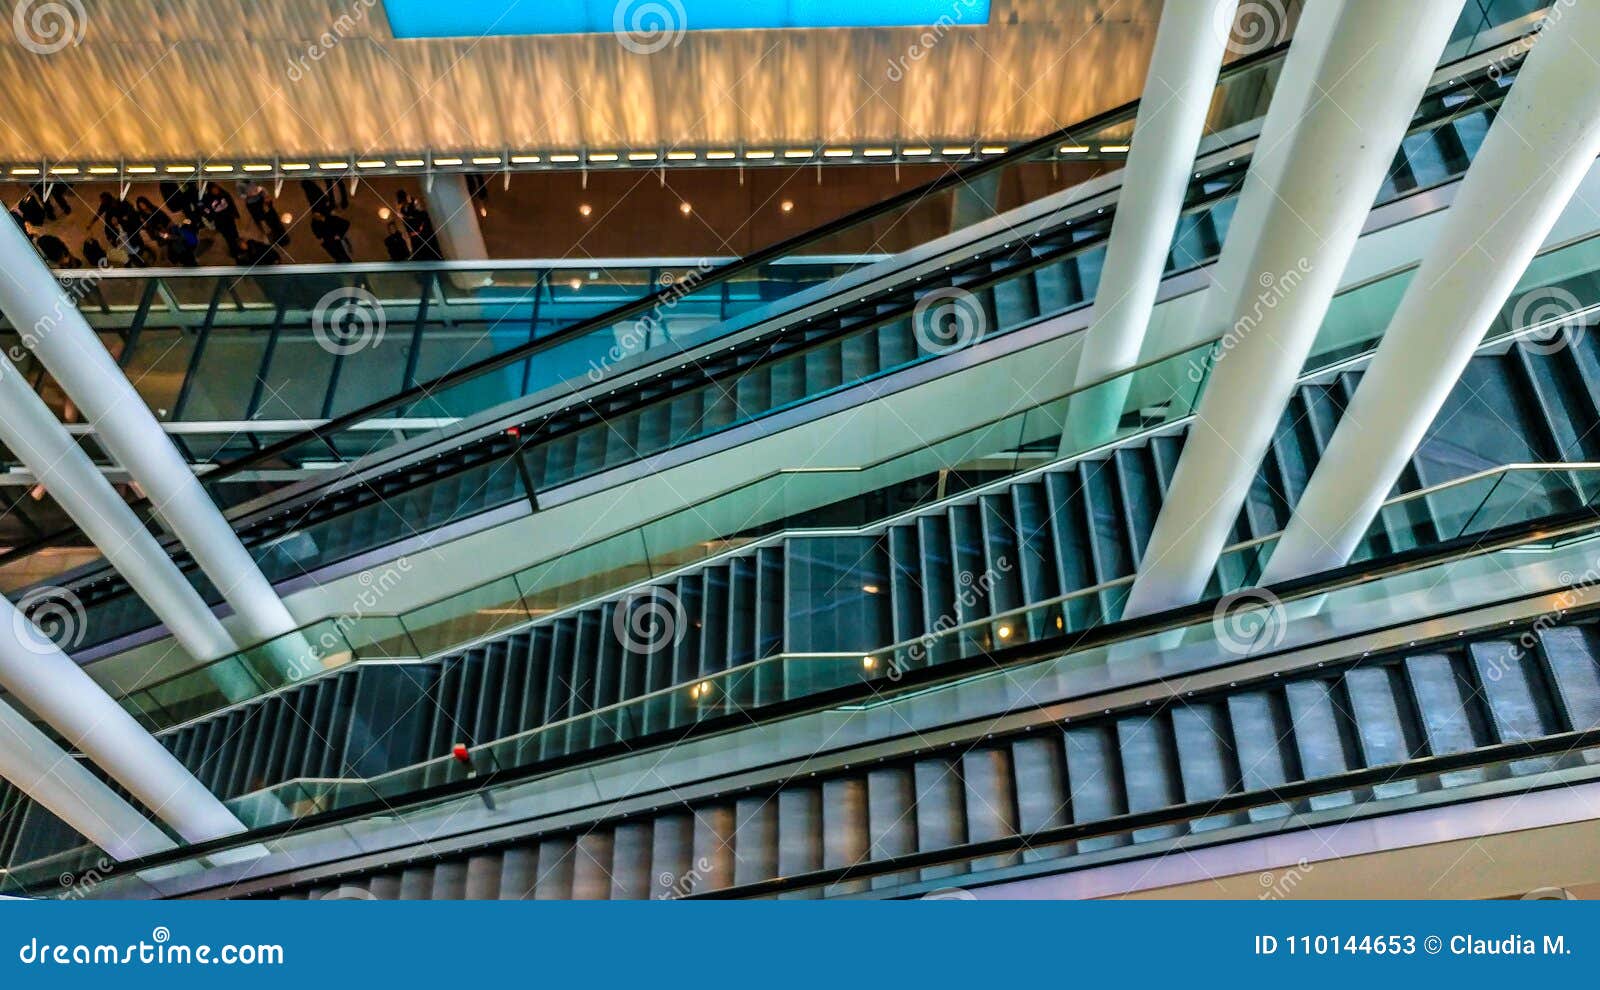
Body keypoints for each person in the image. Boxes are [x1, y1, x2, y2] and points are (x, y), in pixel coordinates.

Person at [395, 189, 441, 260]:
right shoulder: (402, 209)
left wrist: (407, 217)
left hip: (423, 232)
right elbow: (406, 222)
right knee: (420, 254)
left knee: (430, 252)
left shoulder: (413, 203)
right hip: (414, 235)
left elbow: (422, 215)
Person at [203, 181, 241, 248]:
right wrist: (211, 218)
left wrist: (235, 213)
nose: (216, 190)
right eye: (213, 189)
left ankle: (240, 247)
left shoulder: (223, 193)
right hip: (220, 221)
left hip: (229, 218)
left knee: (235, 234)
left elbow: (231, 203)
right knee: (228, 237)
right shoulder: (208, 199)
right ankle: (234, 250)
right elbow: (206, 211)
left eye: (216, 188)